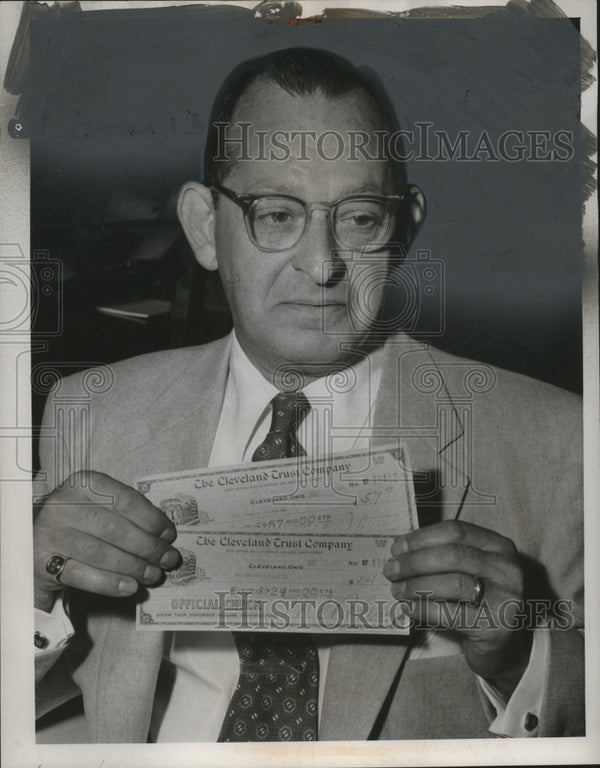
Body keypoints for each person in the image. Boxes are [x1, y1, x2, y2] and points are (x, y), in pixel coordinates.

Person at [33, 47, 584, 742]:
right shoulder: (91, 410)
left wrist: (518, 659)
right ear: (206, 226)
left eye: (359, 218)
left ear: (403, 228)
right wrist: (29, 589)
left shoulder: (557, 440)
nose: (323, 267)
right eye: (276, 213)